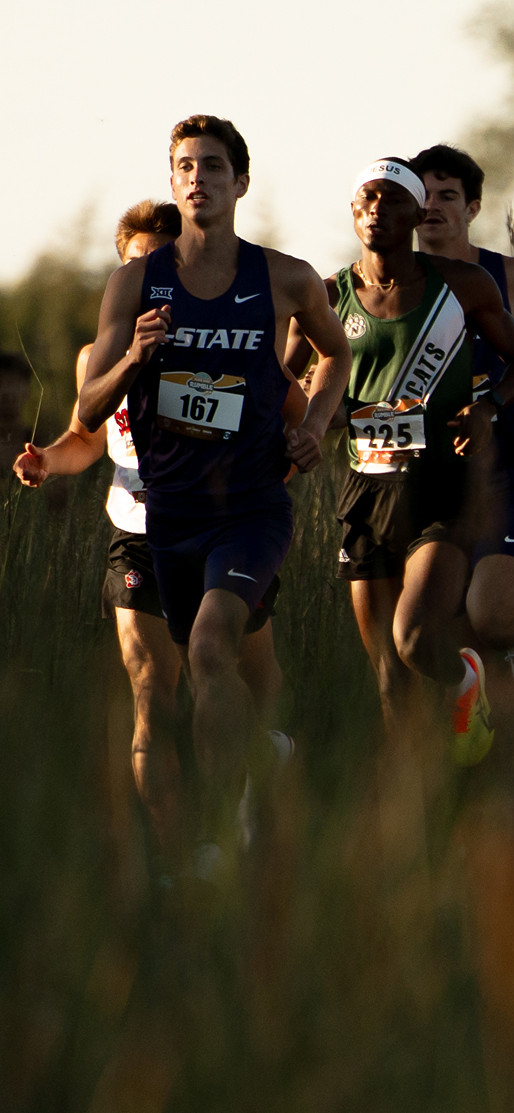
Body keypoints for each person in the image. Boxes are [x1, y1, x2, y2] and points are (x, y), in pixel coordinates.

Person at [75, 116, 352, 866]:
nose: (199, 178)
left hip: (252, 510)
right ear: (173, 182)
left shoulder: (285, 277)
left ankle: (220, 837)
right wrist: (135, 356)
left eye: (214, 166)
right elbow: (90, 409)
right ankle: (256, 772)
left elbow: (336, 353)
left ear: (240, 183)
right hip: (168, 515)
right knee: (201, 682)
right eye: (185, 166)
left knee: (206, 647)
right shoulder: (135, 283)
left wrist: (317, 425)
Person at [14, 199, 290, 856]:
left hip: (226, 530)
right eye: (135, 268)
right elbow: (87, 435)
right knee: (150, 690)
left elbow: (283, 419)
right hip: (138, 531)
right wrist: (49, 460)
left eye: (159, 266)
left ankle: (261, 770)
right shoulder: (96, 358)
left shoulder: (234, 341)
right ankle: (184, 857)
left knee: (246, 682)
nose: (149, 282)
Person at [309, 157, 514, 765]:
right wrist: (316, 417)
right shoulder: (329, 295)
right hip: (368, 486)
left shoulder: (461, 285)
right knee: (389, 677)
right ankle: (418, 806)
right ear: (352, 213)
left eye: (392, 200)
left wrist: (487, 408)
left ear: (419, 214)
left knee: (412, 639)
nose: (377, 210)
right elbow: (297, 386)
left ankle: (468, 683)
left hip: (445, 485)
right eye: (366, 199)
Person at [409, 143, 514, 708]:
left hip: (503, 469)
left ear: (473, 207)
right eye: (422, 195)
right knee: (439, 627)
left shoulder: (513, 276)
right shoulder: (387, 285)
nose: (433, 207)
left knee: (491, 617)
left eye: (447, 196)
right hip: (421, 476)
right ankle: (495, 733)